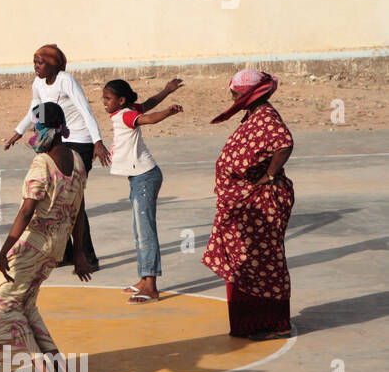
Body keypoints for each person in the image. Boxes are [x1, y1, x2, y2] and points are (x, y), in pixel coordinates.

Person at [0, 102, 92, 372]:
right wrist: (79, 252)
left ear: (52, 128)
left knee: (4, 308)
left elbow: (26, 211)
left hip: (31, 247)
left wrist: (4, 248)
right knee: (26, 306)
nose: (35, 133)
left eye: (38, 127)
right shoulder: (76, 159)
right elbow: (79, 210)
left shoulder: (42, 163)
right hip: (54, 250)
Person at [202, 70, 295, 341]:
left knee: (261, 262)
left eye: (235, 92)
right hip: (243, 203)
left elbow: (285, 144)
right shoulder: (254, 114)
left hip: (260, 203)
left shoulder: (266, 116)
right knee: (243, 261)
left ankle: (273, 323)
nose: (231, 96)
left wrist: (269, 175)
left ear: (251, 93)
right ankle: (250, 322)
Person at [4, 44, 108, 270]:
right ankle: (66, 253)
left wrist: (97, 141)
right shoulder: (38, 83)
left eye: (40, 62)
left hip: (80, 141)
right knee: (57, 198)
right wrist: (18, 132)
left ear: (53, 64)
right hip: (59, 140)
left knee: (75, 201)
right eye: (34, 62)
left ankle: (87, 256)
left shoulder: (66, 80)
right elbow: (35, 110)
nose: (36, 67)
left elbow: (84, 109)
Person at [101, 78, 184, 304]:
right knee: (139, 230)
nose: (104, 102)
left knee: (145, 231)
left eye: (108, 98)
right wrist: (167, 90)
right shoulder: (126, 110)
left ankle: (151, 285)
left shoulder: (126, 115)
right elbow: (147, 104)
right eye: (103, 98)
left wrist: (167, 112)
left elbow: (148, 118)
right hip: (139, 177)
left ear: (121, 100)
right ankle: (143, 278)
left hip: (144, 178)